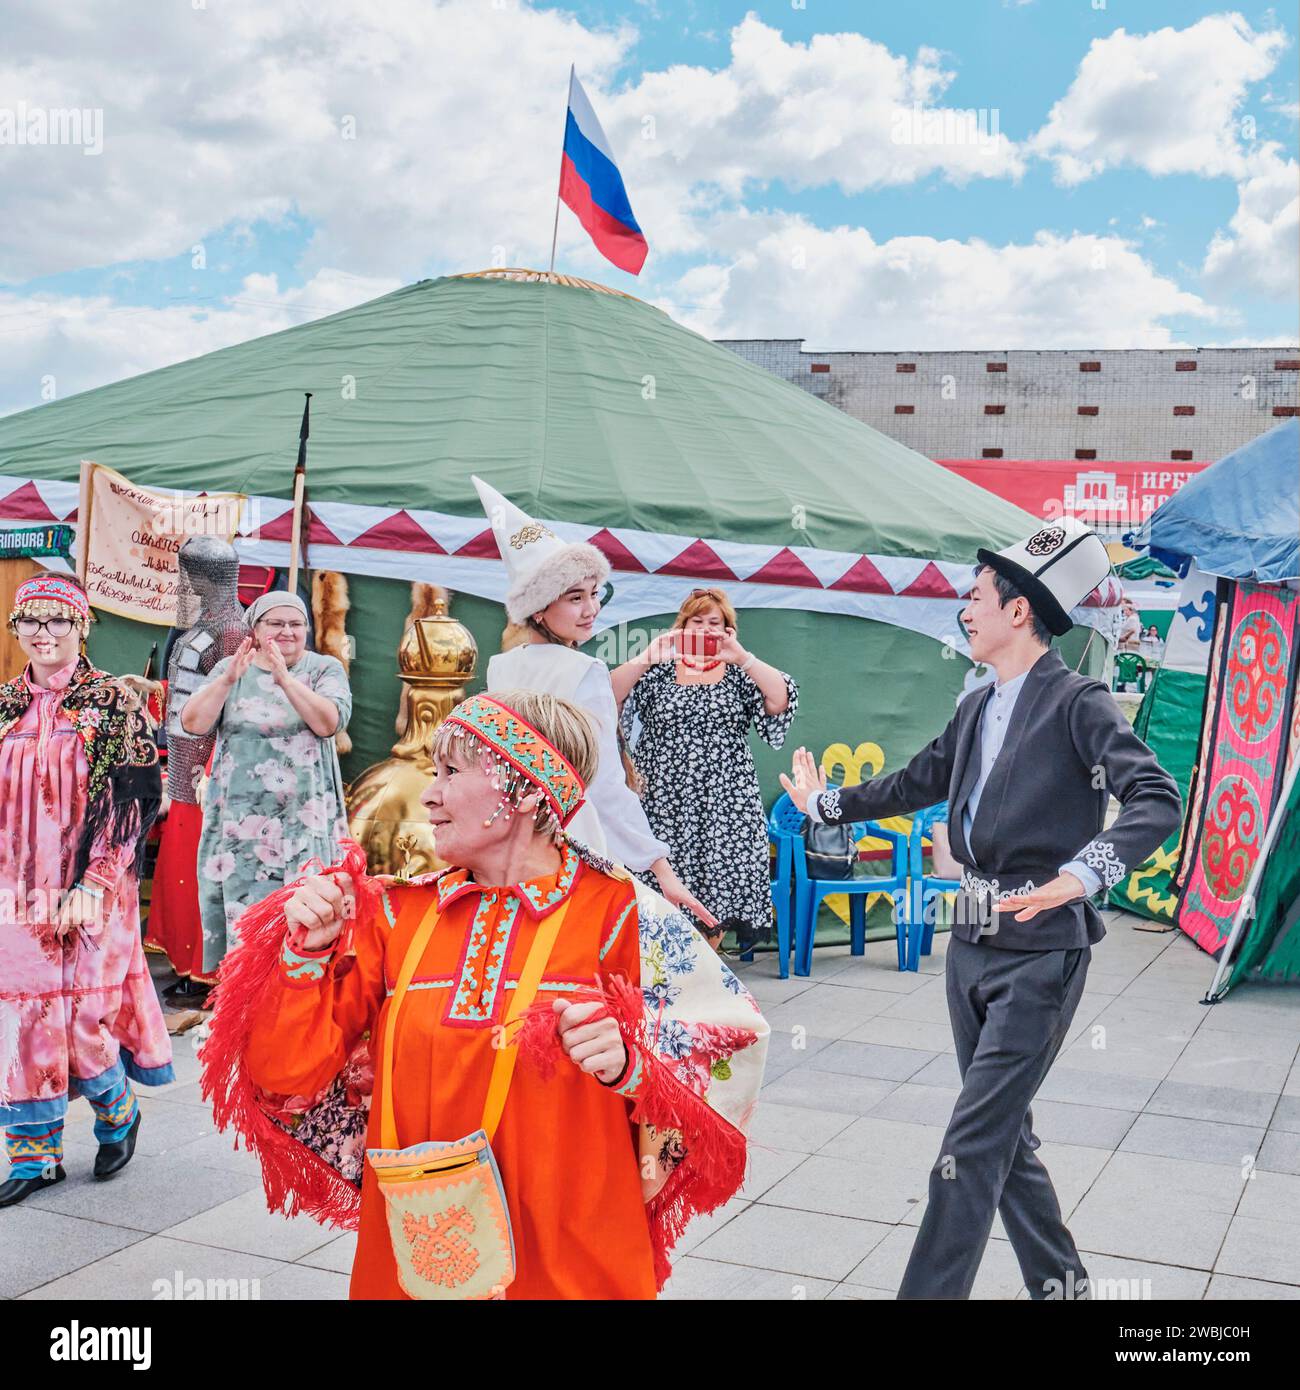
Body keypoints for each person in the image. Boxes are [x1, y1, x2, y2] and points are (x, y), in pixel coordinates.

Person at [199, 689, 769, 1299]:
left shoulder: (623, 915)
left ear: (526, 791)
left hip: (573, 1266)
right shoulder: (395, 917)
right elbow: (285, 1075)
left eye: (451, 772)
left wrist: (635, 1064)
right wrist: (305, 956)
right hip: (420, 1262)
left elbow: (733, 1046)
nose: (429, 794)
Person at [781, 517, 1181, 1301]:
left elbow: (1156, 797)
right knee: (1004, 1142)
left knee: (967, 1148)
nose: (966, 611)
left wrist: (1084, 873)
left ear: (1019, 611)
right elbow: (909, 784)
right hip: (969, 948)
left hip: (1040, 953)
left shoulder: (1078, 703)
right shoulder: (975, 707)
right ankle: (1065, 1290)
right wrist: (823, 803)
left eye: (975, 598)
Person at [472, 475, 715, 931]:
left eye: (594, 595)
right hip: (570, 845)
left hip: (505, 841)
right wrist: (660, 868)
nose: (591, 610)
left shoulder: (500, 668)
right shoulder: (584, 671)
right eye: (574, 598)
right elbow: (602, 783)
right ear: (539, 608)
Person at [0, 573, 173, 1207]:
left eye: (59, 621)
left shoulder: (113, 704)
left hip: (92, 890)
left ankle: (117, 1113)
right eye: (32, 622)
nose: (44, 635)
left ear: (82, 628)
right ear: (17, 628)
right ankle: (34, 1155)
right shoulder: (2, 707)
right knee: (23, 1020)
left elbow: (136, 800)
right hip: (15, 898)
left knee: (81, 1019)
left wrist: (94, 884)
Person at [611, 587, 797, 952]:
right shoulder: (658, 671)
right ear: (681, 625)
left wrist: (742, 657)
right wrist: (648, 656)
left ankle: (703, 972)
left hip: (725, 802)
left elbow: (780, 699)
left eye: (715, 622)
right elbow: (607, 695)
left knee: (718, 893)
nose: (706, 628)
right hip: (663, 799)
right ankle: (666, 975)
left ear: (728, 629)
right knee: (655, 890)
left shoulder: (738, 673)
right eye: (697, 621)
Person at [182, 590, 351, 989]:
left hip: (303, 821)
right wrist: (226, 679)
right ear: (255, 630)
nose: (287, 631)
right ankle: (242, 1004)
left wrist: (286, 680)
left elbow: (329, 723)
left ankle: (296, 1004)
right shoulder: (231, 668)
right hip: (239, 823)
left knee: (304, 912)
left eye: (296, 624)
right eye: (276, 623)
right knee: (244, 917)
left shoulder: (324, 669)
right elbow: (193, 722)